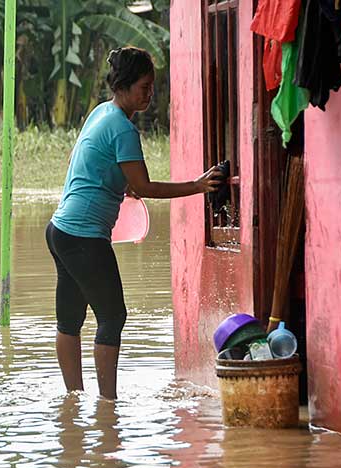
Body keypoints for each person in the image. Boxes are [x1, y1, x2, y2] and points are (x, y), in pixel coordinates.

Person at [46, 47, 222, 400]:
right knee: (113, 317)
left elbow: (90, 163)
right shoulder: (123, 129)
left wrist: (119, 184)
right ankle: (108, 404)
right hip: (84, 235)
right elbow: (144, 186)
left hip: (60, 230)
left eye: (152, 86)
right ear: (124, 85)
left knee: (70, 320)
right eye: (144, 86)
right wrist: (197, 186)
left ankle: (73, 400)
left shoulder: (101, 113)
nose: (149, 93)